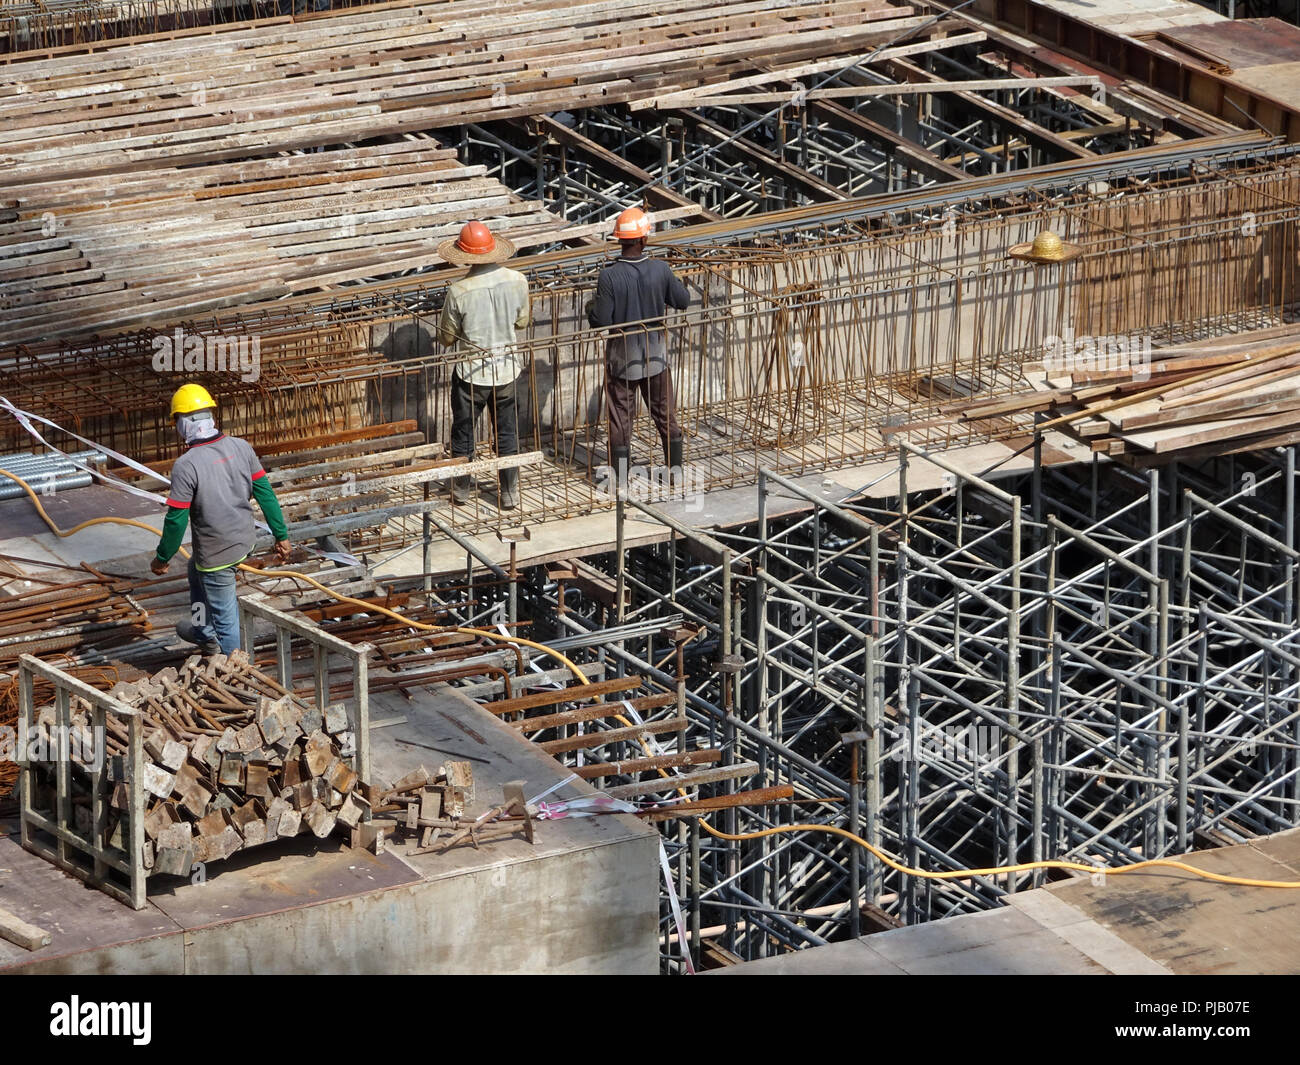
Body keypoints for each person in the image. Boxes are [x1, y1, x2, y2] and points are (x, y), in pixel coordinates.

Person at [150, 384, 291, 655]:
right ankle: (203, 630)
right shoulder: (240, 447)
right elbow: (266, 495)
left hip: (217, 557)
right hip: (243, 540)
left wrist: (162, 558)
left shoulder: (186, 465)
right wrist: (281, 536)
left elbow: (176, 521)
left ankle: (241, 679)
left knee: (226, 620)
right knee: (195, 571)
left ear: (182, 423)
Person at [587, 206, 690, 483]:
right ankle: (674, 472)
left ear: (619, 240)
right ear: (644, 239)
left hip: (622, 359)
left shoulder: (609, 276)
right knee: (664, 412)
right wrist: (674, 281)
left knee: (621, 417)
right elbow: (683, 300)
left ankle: (619, 479)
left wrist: (590, 308)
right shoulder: (661, 269)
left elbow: (601, 321)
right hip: (656, 356)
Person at [437, 220, 531, 509]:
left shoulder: (459, 291)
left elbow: (446, 338)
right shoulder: (518, 281)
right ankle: (510, 492)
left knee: (465, 431)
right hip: (507, 370)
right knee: (507, 431)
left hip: (471, 374)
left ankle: (462, 490)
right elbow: (522, 321)